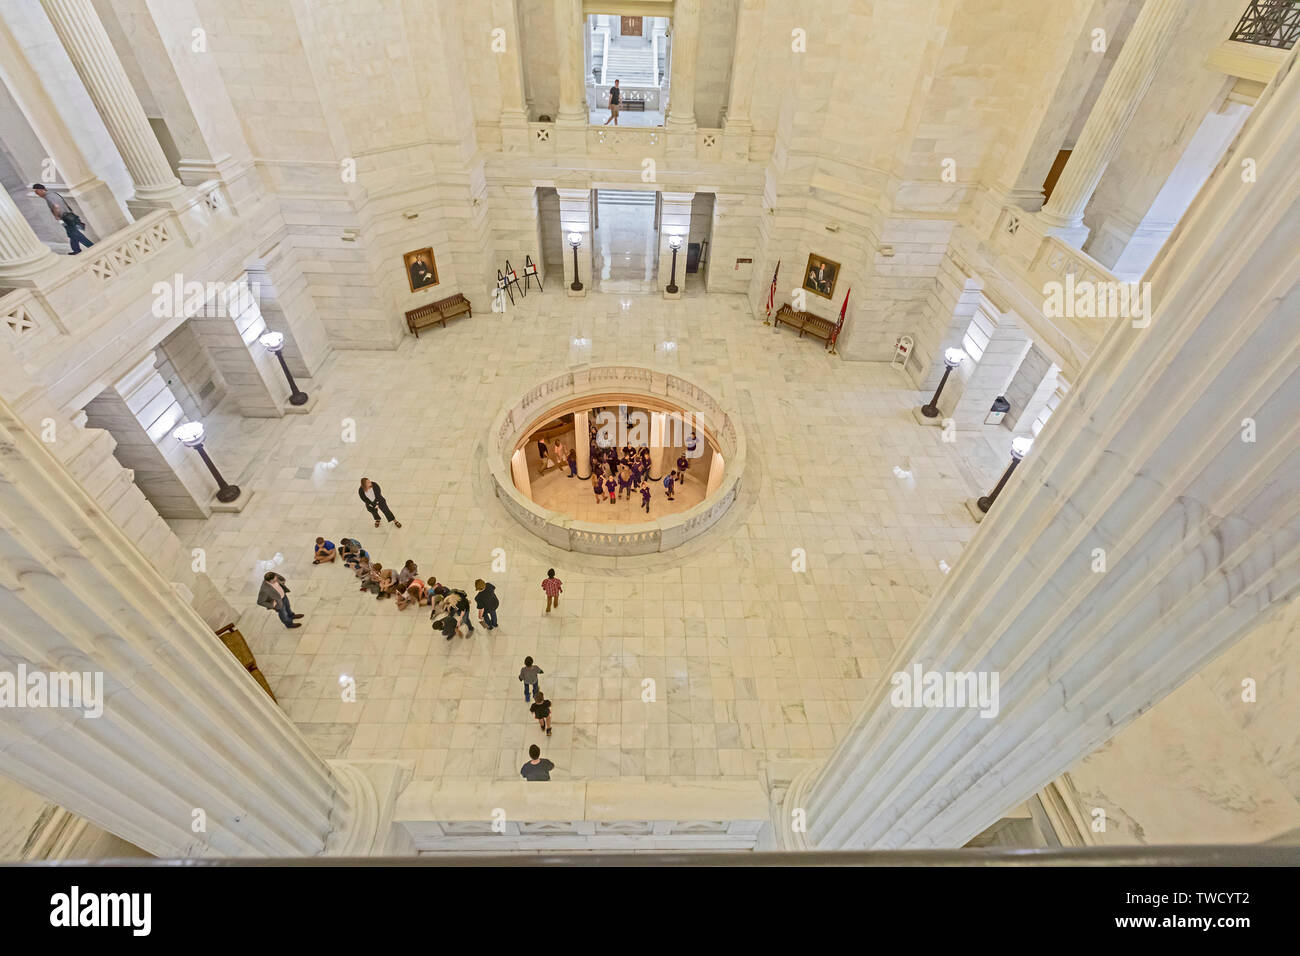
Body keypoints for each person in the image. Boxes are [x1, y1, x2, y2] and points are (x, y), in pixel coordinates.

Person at [31, 184, 93, 255]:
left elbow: (56, 206)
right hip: (69, 216)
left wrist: (56, 216)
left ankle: (91, 246)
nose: (37, 194)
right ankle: (76, 250)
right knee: (72, 234)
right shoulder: (54, 193)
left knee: (75, 234)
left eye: (37, 192)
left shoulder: (48, 197)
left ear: (40, 190)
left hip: (65, 218)